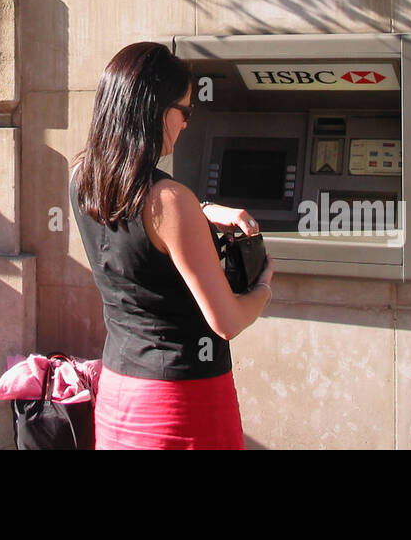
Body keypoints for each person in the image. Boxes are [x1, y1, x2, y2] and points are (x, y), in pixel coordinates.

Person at [69, 42, 273, 450]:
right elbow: (227, 322)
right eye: (185, 111)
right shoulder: (170, 200)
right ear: (155, 111)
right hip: (182, 402)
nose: (186, 124)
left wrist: (203, 209)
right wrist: (264, 285)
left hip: (119, 392)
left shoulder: (81, 178)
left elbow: (136, 210)